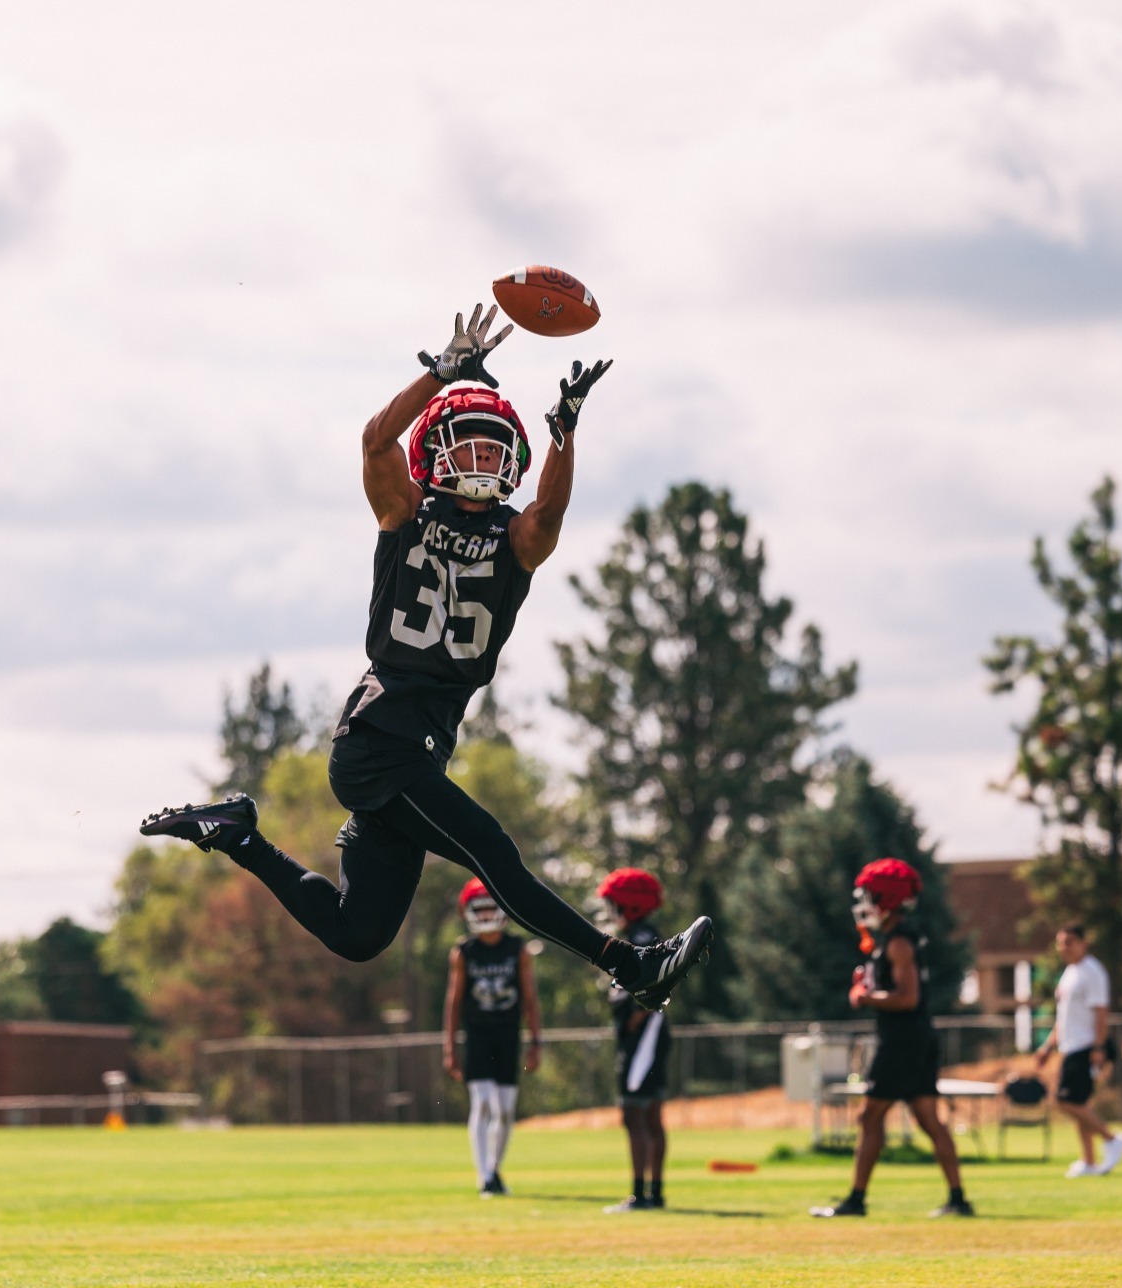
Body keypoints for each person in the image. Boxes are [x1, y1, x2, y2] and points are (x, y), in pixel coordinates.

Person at [141, 306, 712, 1012]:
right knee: (494, 855)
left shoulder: (518, 539)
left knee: (359, 932)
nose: (481, 459)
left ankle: (238, 834)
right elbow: (376, 439)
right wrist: (436, 374)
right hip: (381, 744)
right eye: (466, 445)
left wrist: (563, 433)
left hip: (416, 753)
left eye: (493, 446)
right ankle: (629, 962)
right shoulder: (405, 511)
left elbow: (550, 515)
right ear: (433, 451)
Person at [811, 859, 971, 1220]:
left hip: (903, 1039)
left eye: (869, 896)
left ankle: (856, 1199)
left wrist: (864, 997)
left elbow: (907, 997)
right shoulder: (899, 938)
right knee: (929, 1119)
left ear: (885, 897)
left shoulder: (898, 943)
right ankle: (958, 1198)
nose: (865, 904)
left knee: (870, 1116)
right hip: (917, 1037)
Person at [441, 879, 541, 1196]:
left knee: (506, 1111)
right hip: (478, 1036)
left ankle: (494, 1169)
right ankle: (484, 1175)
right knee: (482, 1104)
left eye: (490, 909)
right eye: (478, 910)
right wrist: (450, 1046)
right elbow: (454, 1001)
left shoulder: (517, 949)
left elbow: (530, 998)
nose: (485, 917)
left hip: (508, 1035)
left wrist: (536, 1042)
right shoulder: (464, 952)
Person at [597, 868, 673, 1213]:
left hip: (643, 1036)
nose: (609, 909)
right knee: (651, 1116)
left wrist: (635, 1021)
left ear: (630, 905)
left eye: (614, 903)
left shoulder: (641, 938)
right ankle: (653, 1192)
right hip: (651, 1035)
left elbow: (655, 986)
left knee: (636, 1115)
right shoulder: (647, 934)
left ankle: (642, 1194)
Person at [1034, 923, 1122, 1178]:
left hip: (1086, 1045)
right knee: (1079, 1102)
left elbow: (1101, 1012)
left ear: (1083, 943)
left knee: (1066, 1100)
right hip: (1070, 1045)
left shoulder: (1092, 972)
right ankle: (1088, 1161)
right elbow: (1063, 1017)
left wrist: (1098, 1047)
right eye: (1060, 942)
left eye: (1069, 942)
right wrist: (1048, 1046)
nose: (1064, 947)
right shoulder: (1069, 973)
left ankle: (1112, 1139)